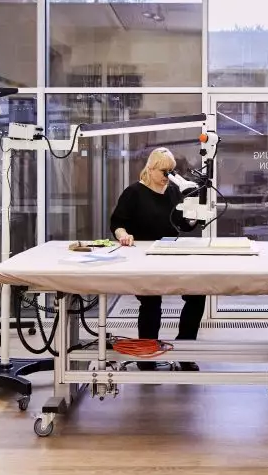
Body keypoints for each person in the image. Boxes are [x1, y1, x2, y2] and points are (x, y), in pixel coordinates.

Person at [110, 147, 202, 371]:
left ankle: (185, 349)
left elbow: (182, 224)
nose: (168, 176)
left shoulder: (173, 192)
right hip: (143, 256)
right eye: (164, 171)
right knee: (152, 301)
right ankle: (147, 353)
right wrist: (124, 235)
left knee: (198, 295)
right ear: (150, 169)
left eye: (172, 171)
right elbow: (117, 223)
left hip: (169, 253)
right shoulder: (134, 193)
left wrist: (194, 218)